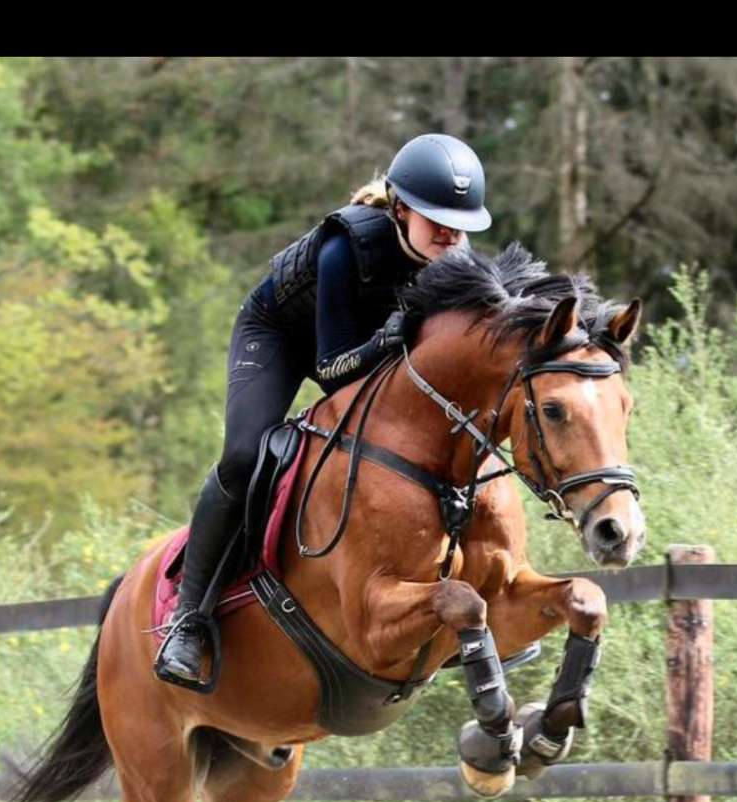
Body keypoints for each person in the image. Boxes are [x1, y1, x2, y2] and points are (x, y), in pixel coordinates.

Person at [155, 133, 493, 686]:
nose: (452, 235)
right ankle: (188, 620)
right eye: (438, 221)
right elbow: (333, 366)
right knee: (245, 455)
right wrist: (390, 339)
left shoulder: (452, 257)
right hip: (284, 338)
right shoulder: (347, 247)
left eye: (460, 224)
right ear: (401, 208)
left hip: (363, 344)